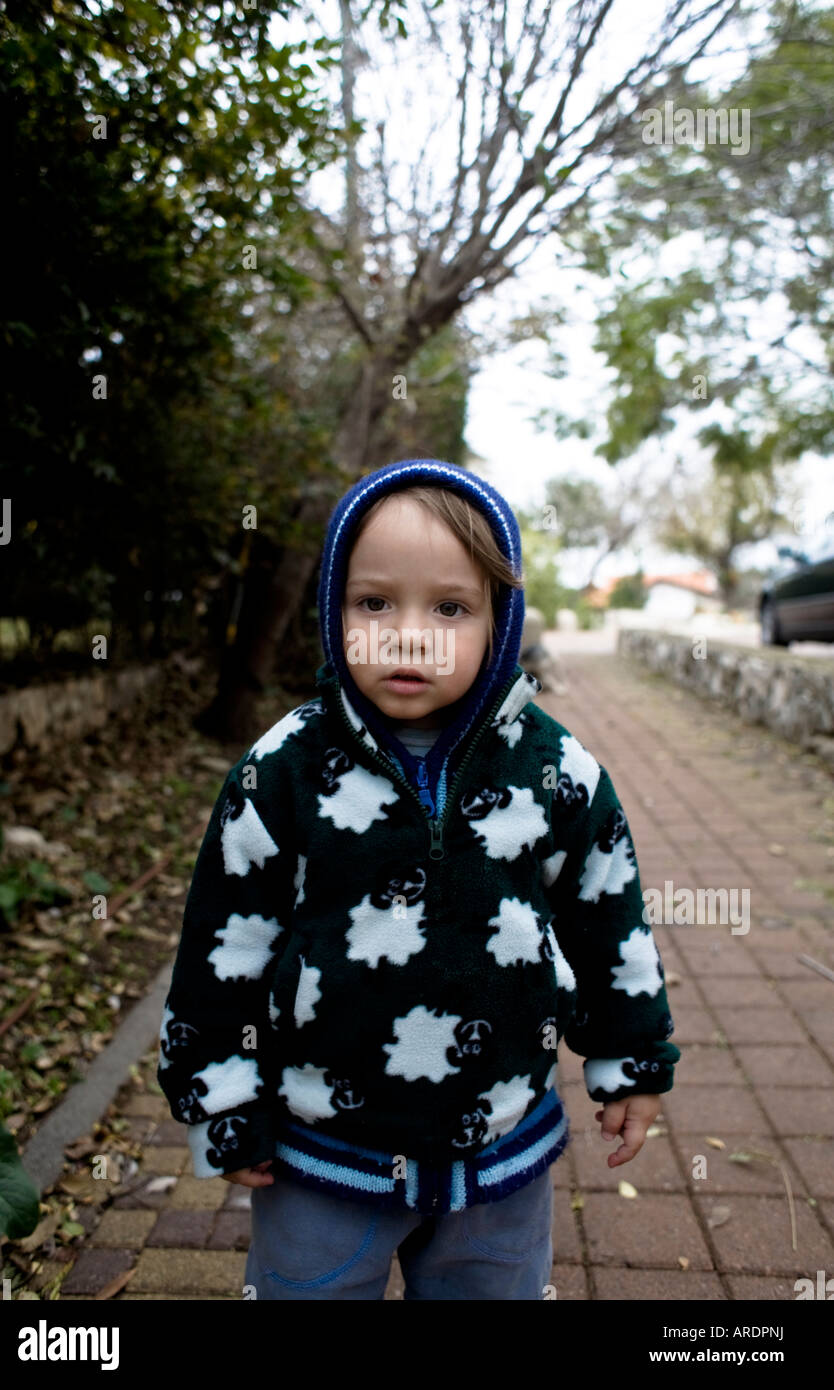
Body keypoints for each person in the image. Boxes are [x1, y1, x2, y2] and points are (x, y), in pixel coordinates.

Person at [157, 457, 680, 1300]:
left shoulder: (557, 772)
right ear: (335, 612)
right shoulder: (281, 772)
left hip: (502, 1155)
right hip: (321, 1154)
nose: (409, 633)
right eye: (374, 603)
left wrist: (631, 1056)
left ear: (499, 621)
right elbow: (226, 942)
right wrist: (218, 1093)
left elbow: (608, 920)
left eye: (449, 607)